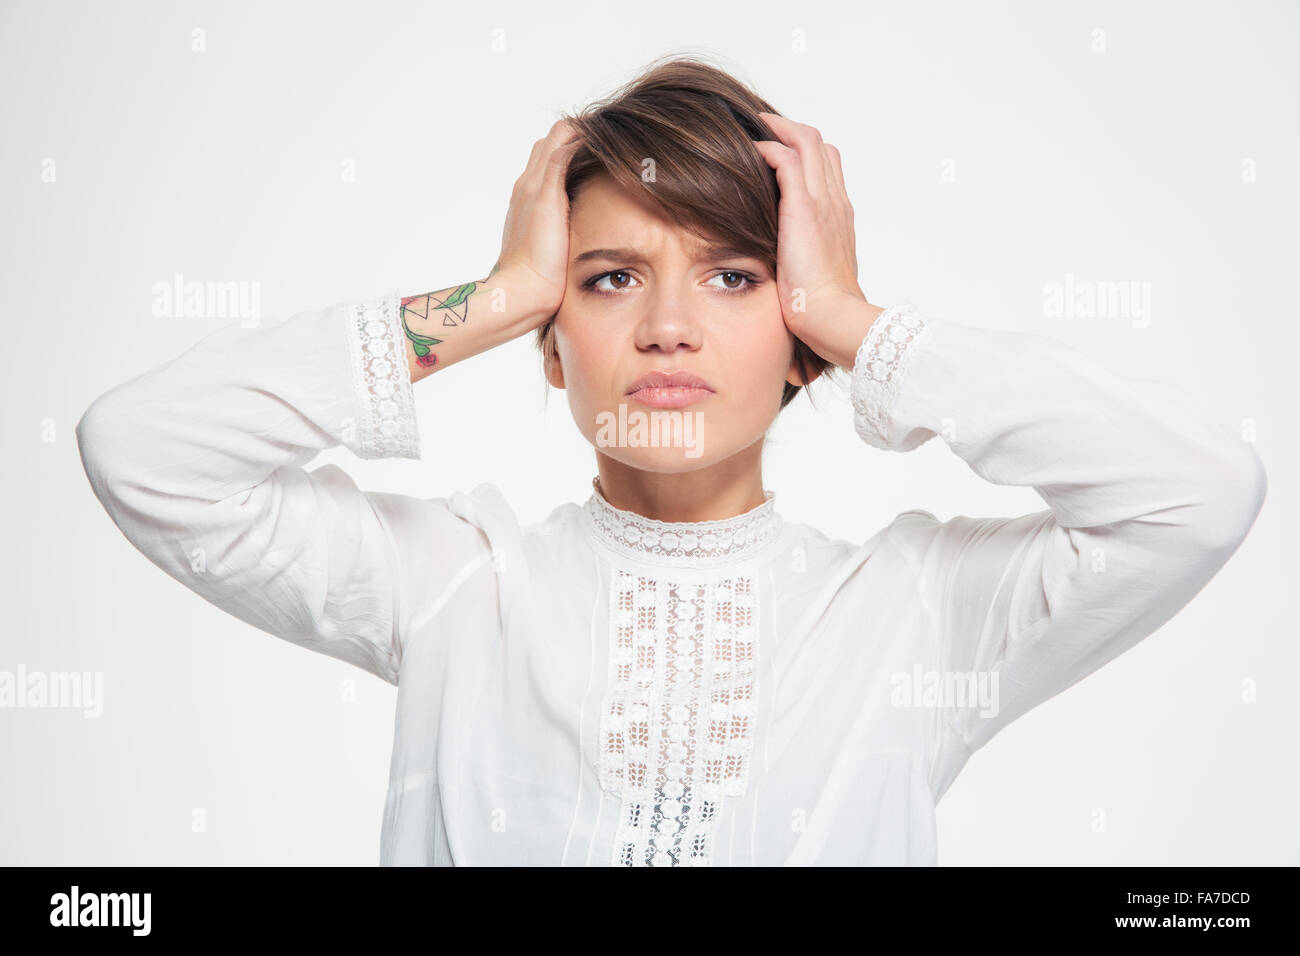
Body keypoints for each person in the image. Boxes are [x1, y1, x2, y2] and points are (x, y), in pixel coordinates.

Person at [75, 54, 1267, 866]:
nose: (668, 325)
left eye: (735, 277)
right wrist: (493, 298)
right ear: (553, 348)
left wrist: (855, 319)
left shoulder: (916, 616)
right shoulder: (455, 586)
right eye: (607, 279)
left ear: (797, 342)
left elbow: (1199, 493)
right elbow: (144, 452)